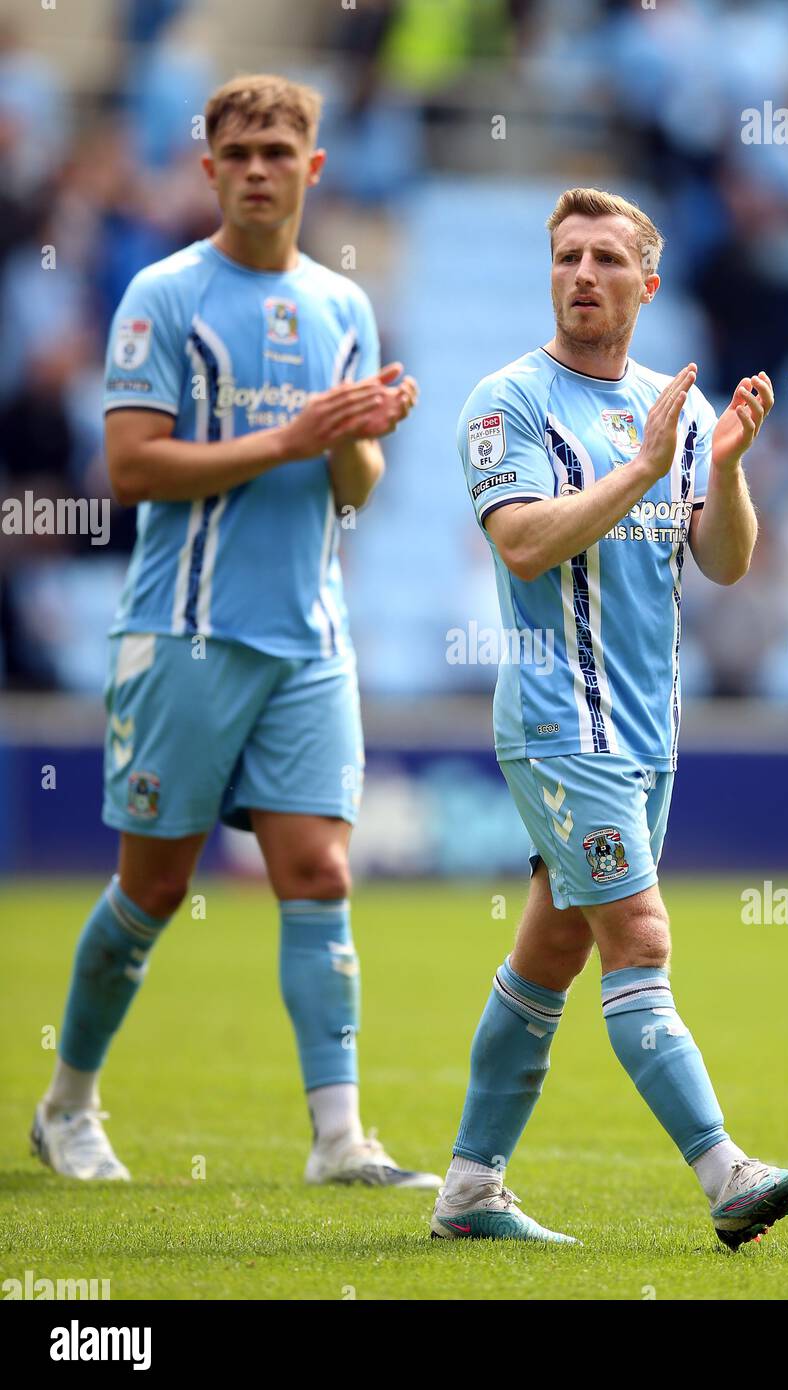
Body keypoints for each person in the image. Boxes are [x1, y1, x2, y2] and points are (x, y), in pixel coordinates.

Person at [31, 74, 440, 1191]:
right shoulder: (162, 294)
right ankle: (68, 1103)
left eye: (278, 152)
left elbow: (353, 486)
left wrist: (359, 435)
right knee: (154, 885)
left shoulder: (343, 306)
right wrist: (290, 437)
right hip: (185, 630)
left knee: (317, 871)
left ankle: (339, 1137)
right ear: (207, 168)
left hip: (310, 635)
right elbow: (128, 467)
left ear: (313, 170)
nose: (258, 169)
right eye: (237, 152)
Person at [434, 187, 788, 1246]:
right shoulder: (504, 401)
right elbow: (520, 543)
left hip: (650, 733)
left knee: (549, 954)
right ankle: (726, 1171)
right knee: (638, 939)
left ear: (646, 283)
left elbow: (728, 562)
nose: (583, 275)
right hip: (560, 723)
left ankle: (469, 1189)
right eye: (567, 256)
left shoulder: (679, 407)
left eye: (607, 258)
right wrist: (642, 468)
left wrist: (725, 467)